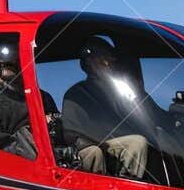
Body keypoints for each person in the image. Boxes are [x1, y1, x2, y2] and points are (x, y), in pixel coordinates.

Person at [59, 36, 153, 179]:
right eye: (102, 58)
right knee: (92, 153)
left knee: (137, 142)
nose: (108, 62)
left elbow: (144, 115)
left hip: (114, 141)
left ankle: (129, 184)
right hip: (90, 144)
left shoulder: (121, 91)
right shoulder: (76, 94)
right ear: (88, 63)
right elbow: (71, 133)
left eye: (110, 58)